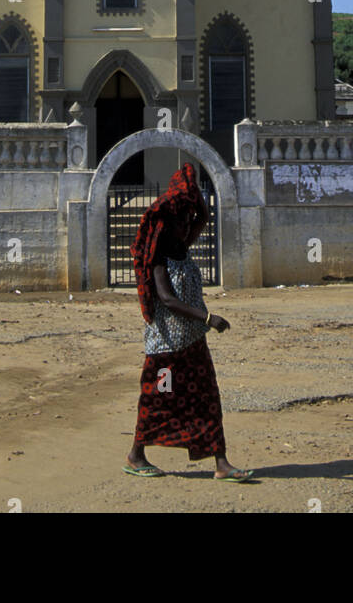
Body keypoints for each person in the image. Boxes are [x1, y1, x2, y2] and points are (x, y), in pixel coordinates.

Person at [124, 161, 257, 481]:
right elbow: (168, 300)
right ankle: (135, 455)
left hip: (193, 344)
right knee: (158, 398)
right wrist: (208, 318)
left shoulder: (182, 248)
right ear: (167, 225)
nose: (186, 226)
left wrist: (189, 187)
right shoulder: (157, 259)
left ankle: (222, 464)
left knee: (206, 399)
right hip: (165, 348)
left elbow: (204, 217)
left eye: (187, 221)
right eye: (180, 222)